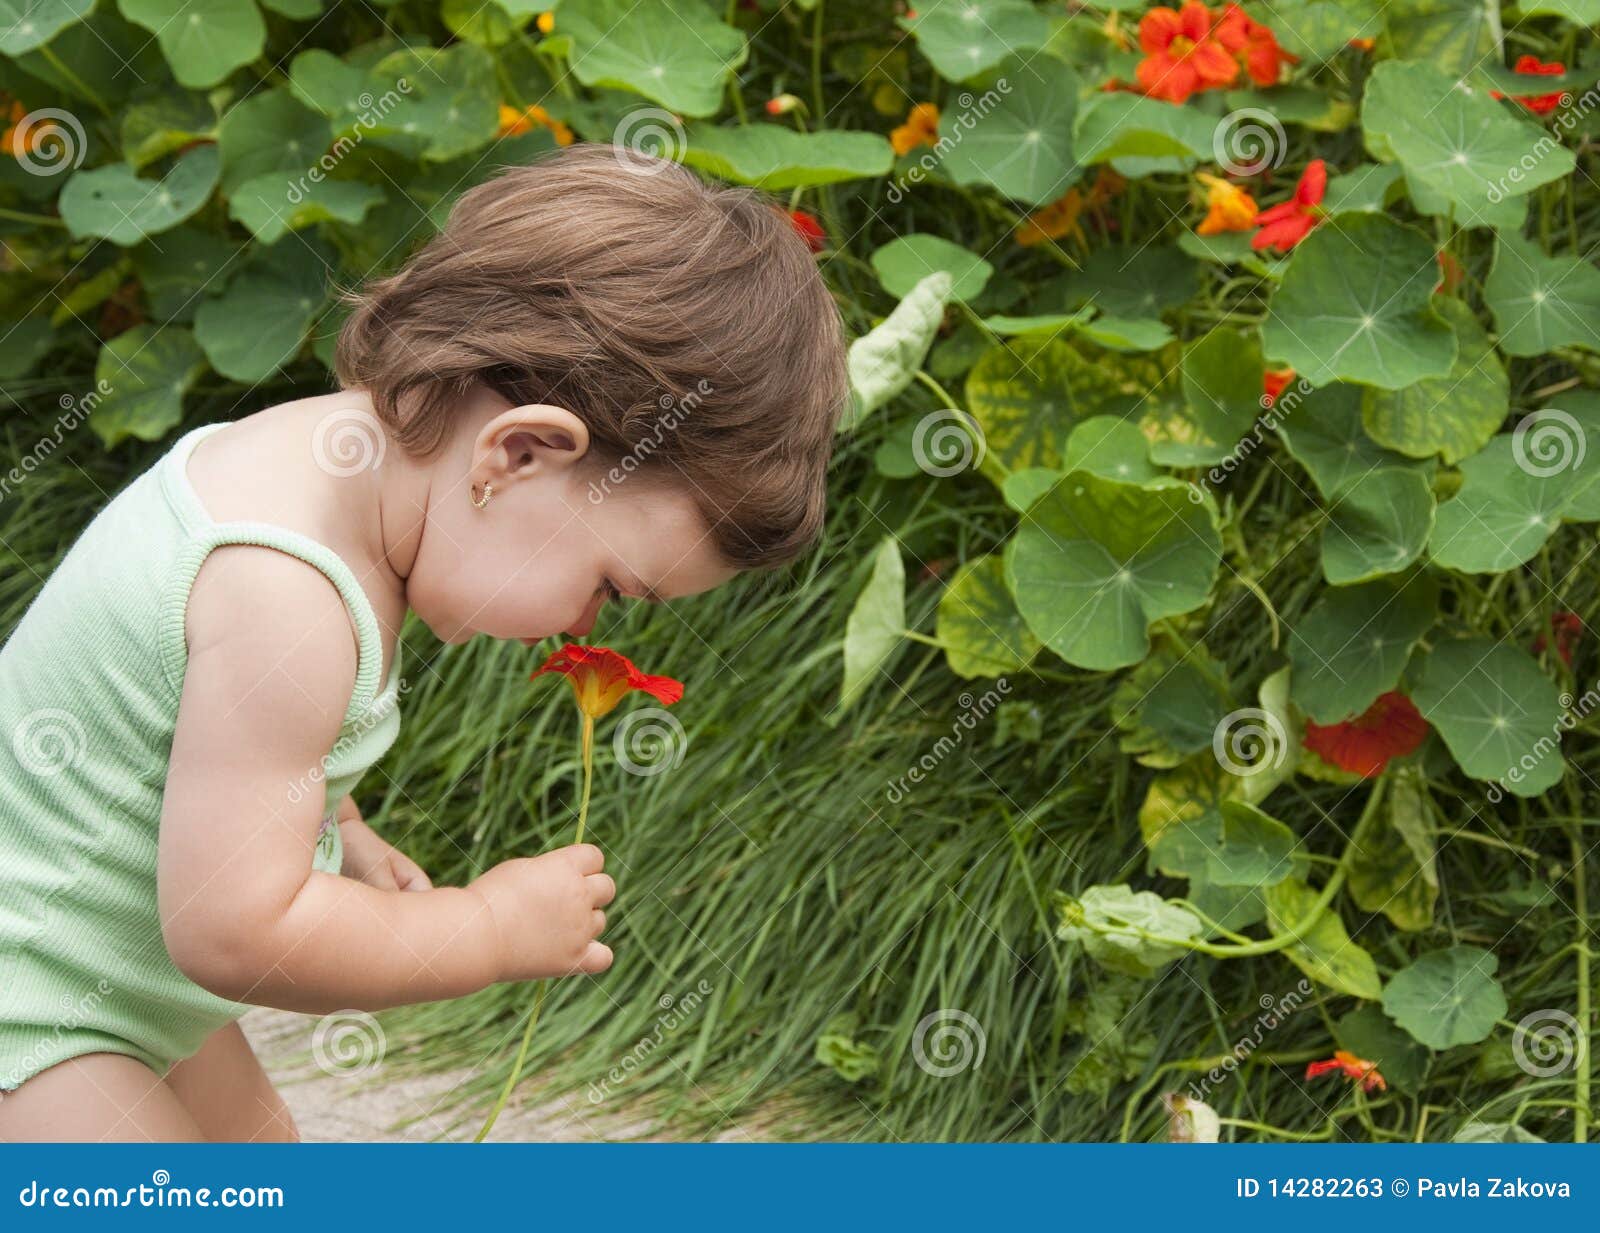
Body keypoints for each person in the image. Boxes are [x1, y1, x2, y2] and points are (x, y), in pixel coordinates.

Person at [0, 144, 847, 1141]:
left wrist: (339, 827)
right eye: (610, 589)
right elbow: (236, 935)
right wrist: (484, 931)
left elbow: (205, 728)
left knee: (266, 1162)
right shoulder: (288, 596)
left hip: (98, 978)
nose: (583, 624)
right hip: (32, 1011)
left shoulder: (312, 470)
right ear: (520, 453)